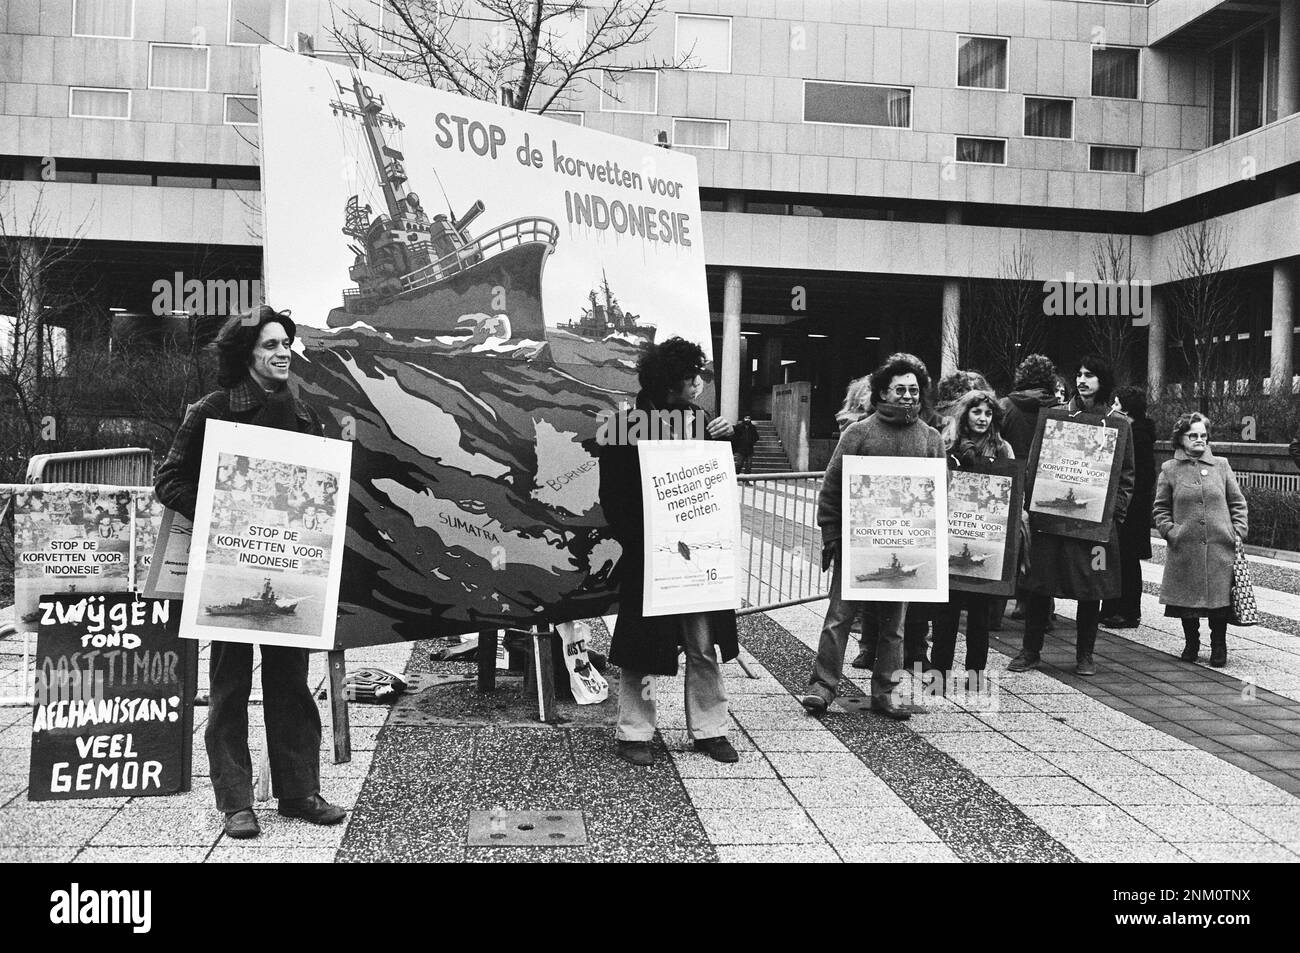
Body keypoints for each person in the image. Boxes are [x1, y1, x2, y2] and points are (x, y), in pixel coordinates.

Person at [155, 305, 345, 840]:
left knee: (291, 683)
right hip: (229, 566)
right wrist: (221, 509)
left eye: (286, 343)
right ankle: (236, 801)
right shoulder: (212, 409)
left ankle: (299, 790)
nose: (282, 352)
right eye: (269, 345)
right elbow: (167, 479)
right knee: (229, 686)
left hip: (285, 564)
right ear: (246, 354)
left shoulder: (304, 415)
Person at [597, 337, 740, 766]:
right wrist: (640, 543)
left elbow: (718, 476)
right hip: (650, 555)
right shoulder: (627, 425)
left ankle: (711, 729)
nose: (699, 384)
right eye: (693, 377)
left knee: (703, 643)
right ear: (673, 382)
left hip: (697, 556)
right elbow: (614, 497)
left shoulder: (702, 421)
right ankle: (634, 732)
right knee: (642, 649)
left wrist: (732, 436)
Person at [798, 355, 945, 720]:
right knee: (839, 618)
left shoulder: (931, 439)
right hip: (858, 544)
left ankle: (887, 692)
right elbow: (832, 486)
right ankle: (822, 686)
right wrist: (831, 533)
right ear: (882, 391)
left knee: (893, 626)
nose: (909, 396)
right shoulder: (858, 432)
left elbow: (940, 494)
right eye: (901, 390)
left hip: (906, 543)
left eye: (914, 390)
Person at [1009, 355, 1135, 676]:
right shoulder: (1055, 417)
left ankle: (1085, 655)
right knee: (1040, 585)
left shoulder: (1118, 423)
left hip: (1095, 525)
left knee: (1090, 589)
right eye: (1078, 374)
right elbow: (1036, 464)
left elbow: (1126, 476)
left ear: (1102, 381)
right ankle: (1029, 651)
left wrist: (1113, 515)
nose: (1082, 380)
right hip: (1051, 521)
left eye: (1090, 375)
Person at [929, 388, 1014, 691]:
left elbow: (1013, 492)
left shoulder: (1002, 450)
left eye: (988, 413)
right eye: (977, 412)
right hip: (950, 537)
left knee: (980, 614)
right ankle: (938, 674)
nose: (982, 418)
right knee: (945, 613)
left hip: (984, 537)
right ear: (965, 414)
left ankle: (975, 675)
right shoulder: (946, 445)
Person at [1153, 413, 1248, 667]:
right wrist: (1171, 531)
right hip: (1185, 547)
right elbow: (1160, 509)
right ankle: (1191, 643)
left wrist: (1237, 531)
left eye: (1203, 436)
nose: (1199, 440)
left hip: (1220, 546)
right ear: (1181, 438)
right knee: (1188, 602)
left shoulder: (1222, 466)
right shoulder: (1169, 470)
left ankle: (1219, 645)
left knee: (1219, 602)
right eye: (1193, 435)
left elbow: (1237, 502)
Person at [1101, 385, 1156, 628]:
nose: (1112, 408)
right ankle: (1112, 607)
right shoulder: (1134, 431)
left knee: (1127, 560)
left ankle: (1128, 611)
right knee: (1119, 559)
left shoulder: (1137, 435)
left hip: (1133, 509)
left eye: (1116, 403)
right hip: (1132, 507)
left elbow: (1140, 476)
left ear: (1125, 408)